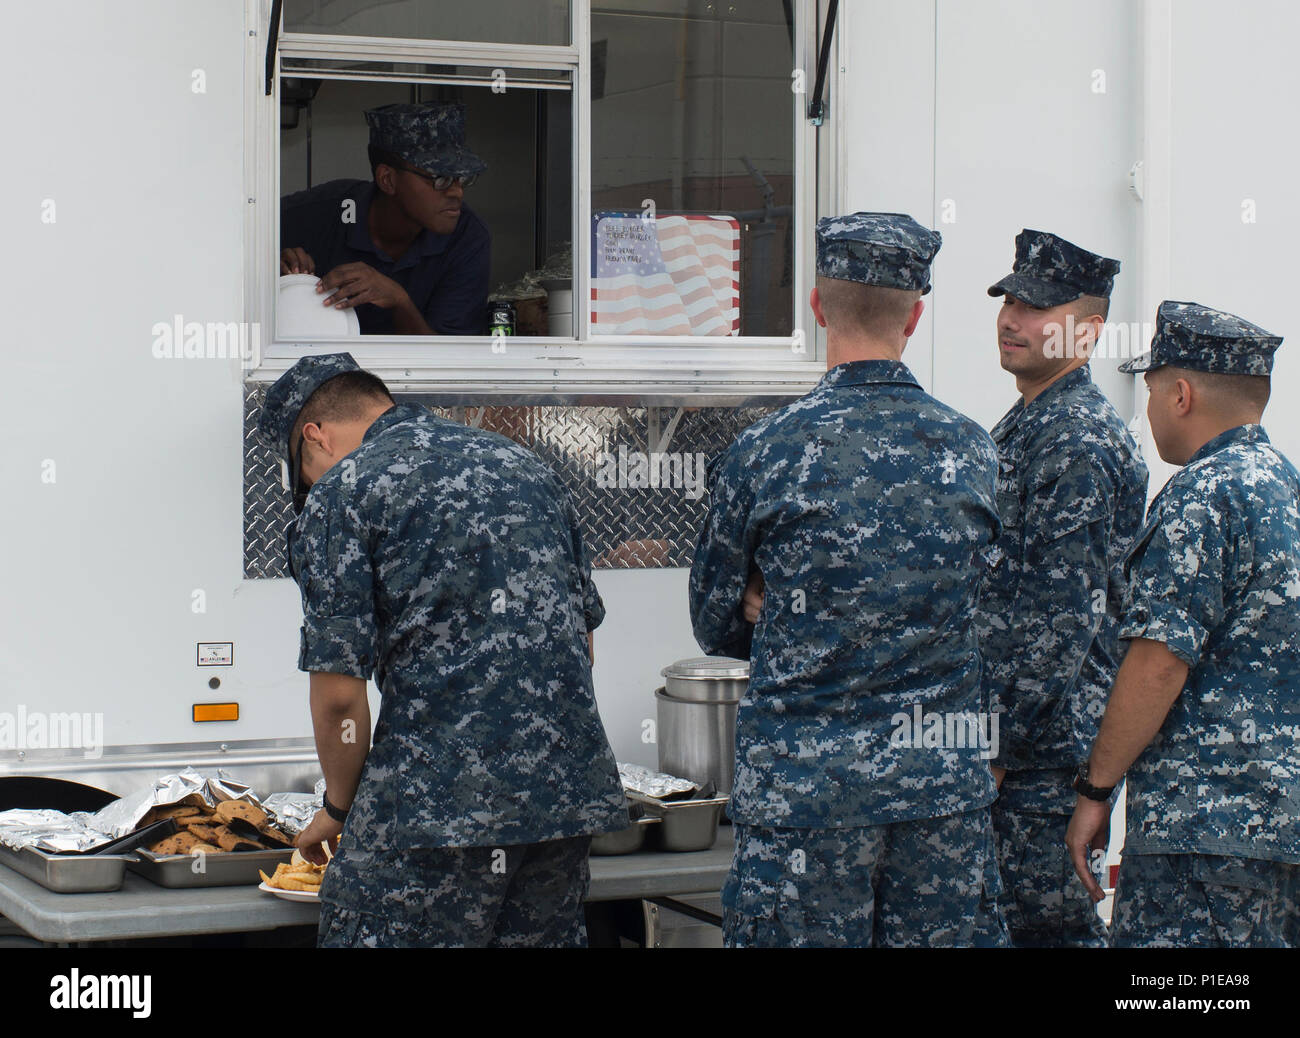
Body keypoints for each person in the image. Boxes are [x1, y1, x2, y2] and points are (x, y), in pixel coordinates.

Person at [689, 212, 1007, 947]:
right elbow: (993, 611)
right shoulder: (975, 450)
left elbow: (714, 624)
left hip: (808, 797)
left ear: (817, 305)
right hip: (940, 798)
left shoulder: (765, 451)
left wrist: (771, 609)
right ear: (916, 316)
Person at [255, 353, 626, 947]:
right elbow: (580, 642)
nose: (310, 488)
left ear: (314, 436)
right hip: (562, 806)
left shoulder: (344, 494)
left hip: (432, 813)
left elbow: (339, 703)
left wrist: (341, 808)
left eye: (303, 474)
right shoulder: (528, 468)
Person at [1066, 301, 1300, 948]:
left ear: (1181, 394)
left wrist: (1095, 791)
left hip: (1203, 832)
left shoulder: (1204, 495)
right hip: (1281, 827)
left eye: (1149, 392)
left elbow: (1159, 662)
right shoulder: (1286, 487)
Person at [976, 230, 1149, 946]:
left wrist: (994, 746)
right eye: (1009, 300)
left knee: (1048, 934)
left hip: (1041, 764)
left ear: (1089, 329)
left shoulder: (1075, 441)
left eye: (1038, 306)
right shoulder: (1030, 424)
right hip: (1021, 757)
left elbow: (1058, 624)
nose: (1013, 319)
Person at [280, 102, 490, 335]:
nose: (456, 192)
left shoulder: (466, 237)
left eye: (461, 178)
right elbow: (238, 236)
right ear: (387, 179)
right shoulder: (322, 212)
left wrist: (400, 302)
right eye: (440, 179)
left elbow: (448, 365)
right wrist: (270, 269)